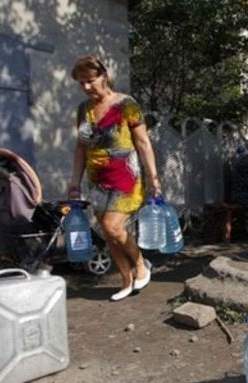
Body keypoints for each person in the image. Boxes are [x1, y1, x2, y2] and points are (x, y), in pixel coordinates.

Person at [67, 55, 161, 301]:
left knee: (113, 226)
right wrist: (75, 181)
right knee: (108, 233)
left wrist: (153, 176)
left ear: (104, 76)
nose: (86, 87)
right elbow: (80, 148)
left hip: (125, 177)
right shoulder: (83, 110)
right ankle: (126, 280)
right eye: (81, 83)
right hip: (97, 178)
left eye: (90, 80)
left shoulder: (126, 104)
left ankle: (141, 265)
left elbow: (143, 142)